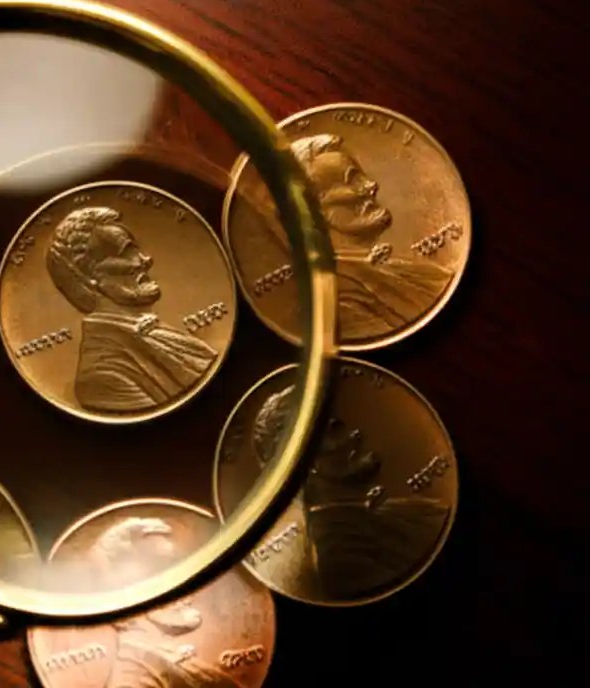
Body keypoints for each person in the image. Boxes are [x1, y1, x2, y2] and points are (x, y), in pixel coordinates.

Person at [250, 387, 450, 598]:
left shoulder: (396, 512)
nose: (354, 434)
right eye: (334, 428)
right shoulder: (341, 559)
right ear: (306, 461)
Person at [47, 207, 217, 413]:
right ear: (90, 278)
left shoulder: (154, 332)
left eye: (136, 249)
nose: (146, 259)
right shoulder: (101, 377)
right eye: (126, 252)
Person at [288, 134, 454, 337]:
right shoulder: (339, 300)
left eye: (363, 176)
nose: (371, 185)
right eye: (353, 180)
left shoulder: (395, 265)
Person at [90, 518, 240, 688]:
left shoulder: (167, 659)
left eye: (178, 566)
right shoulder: (134, 679)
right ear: (127, 591)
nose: (184, 581)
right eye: (161, 569)